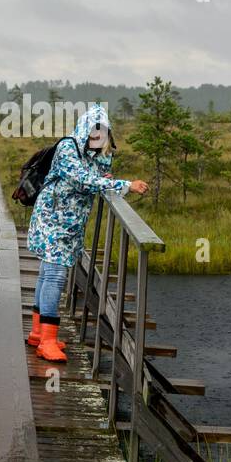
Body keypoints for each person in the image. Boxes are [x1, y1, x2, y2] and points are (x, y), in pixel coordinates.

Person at [24, 103, 148, 362]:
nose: (97, 138)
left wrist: (107, 176)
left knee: (48, 272)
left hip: (71, 224)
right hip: (52, 218)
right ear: (84, 130)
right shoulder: (67, 148)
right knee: (55, 275)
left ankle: (38, 332)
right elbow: (83, 179)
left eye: (102, 133)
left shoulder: (101, 154)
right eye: (93, 132)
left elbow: (99, 176)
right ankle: (46, 341)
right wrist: (126, 184)